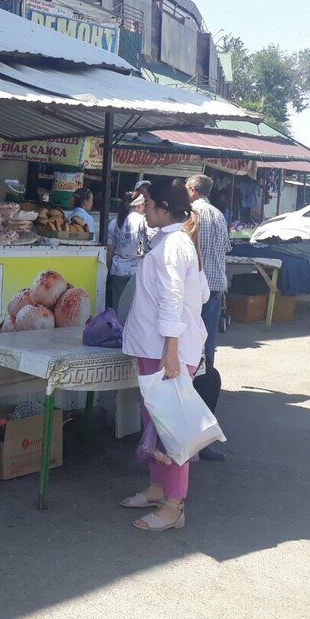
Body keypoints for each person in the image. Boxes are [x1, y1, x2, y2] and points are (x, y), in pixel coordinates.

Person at [121, 177, 210, 532]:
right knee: (155, 425)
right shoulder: (173, 240)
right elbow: (200, 293)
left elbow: (175, 300)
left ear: (162, 208)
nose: (142, 210)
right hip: (155, 348)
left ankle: (175, 505)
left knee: (171, 430)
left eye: (146, 203)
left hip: (166, 352)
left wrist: (171, 352)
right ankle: (159, 488)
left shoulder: (174, 245)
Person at [185, 175, 231, 439]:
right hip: (215, 286)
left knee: (189, 343)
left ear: (193, 190)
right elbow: (224, 248)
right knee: (207, 344)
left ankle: (191, 396)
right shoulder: (219, 215)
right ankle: (205, 394)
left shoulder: (192, 215)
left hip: (197, 286)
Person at [106, 192, 149, 309]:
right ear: (139, 205)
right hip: (136, 271)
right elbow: (143, 248)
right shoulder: (143, 221)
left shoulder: (114, 222)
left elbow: (110, 250)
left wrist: (108, 270)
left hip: (118, 270)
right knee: (132, 309)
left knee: (118, 307)